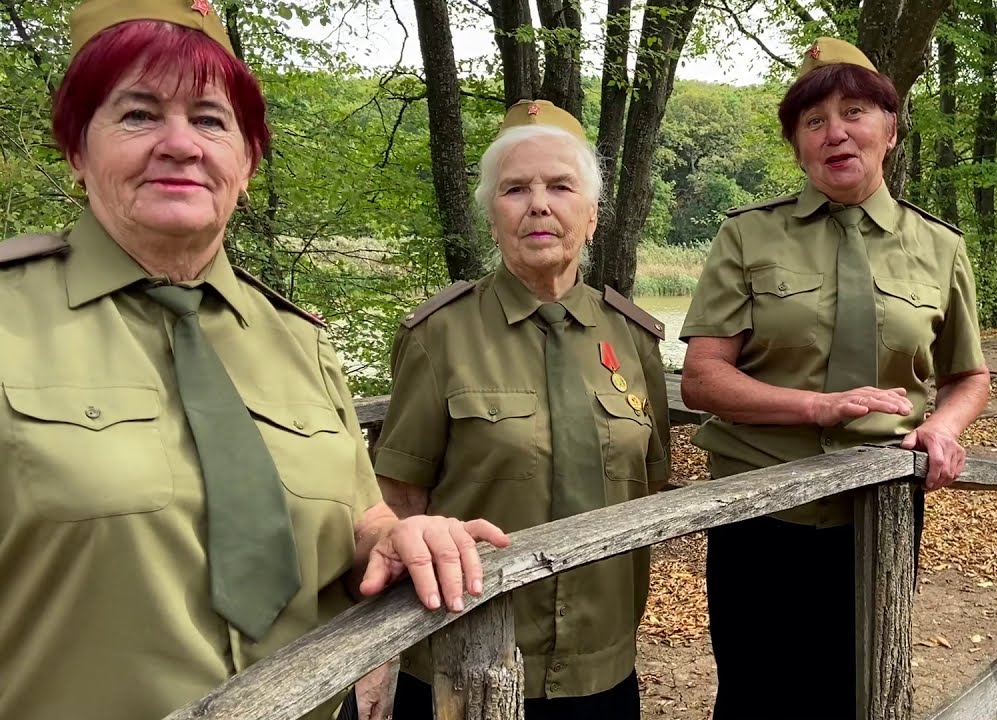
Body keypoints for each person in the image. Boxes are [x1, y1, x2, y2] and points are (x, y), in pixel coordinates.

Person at [0, 2, 508, 719]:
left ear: (247, 162)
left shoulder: (299, 341)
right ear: (77, 150)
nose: (181, 145)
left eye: (211, 120)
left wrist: (398, 536)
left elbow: (358, 519)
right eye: (139, 114)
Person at [679, 37, 991, 718]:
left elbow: (968, 375)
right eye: (814, 121)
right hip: (758, 506)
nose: (836, 132)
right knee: (755, 694)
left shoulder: (941, 247)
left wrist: (941, 427)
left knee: (863, 690)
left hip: (879, 510)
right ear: (797, 146)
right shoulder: (747, 237)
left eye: (855, 112)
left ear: (890, 130)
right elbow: (701, 380)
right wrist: (818, 407)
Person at [373, 99, 671, 720]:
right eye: (515, 189)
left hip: (605, 666)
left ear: (591, 217)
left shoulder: (633, 338)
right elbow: (398, 501)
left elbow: (652, 483)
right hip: (465, 662)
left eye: (561, 186)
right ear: (492, 216)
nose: (539, 204)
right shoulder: (440, 337)